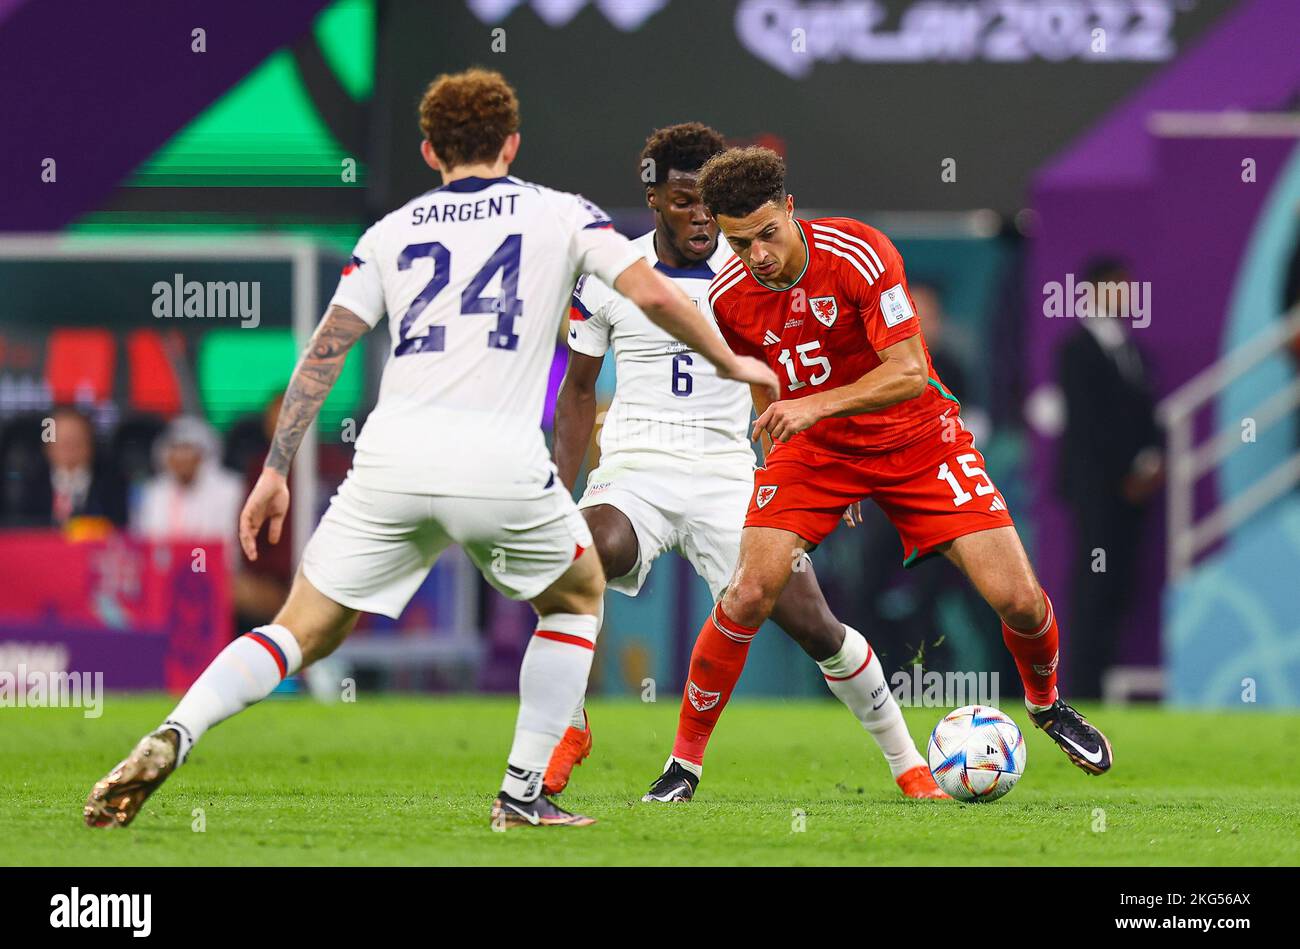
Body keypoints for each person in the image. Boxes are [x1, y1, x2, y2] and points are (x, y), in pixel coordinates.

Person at [83, 69, 777, 832]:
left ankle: (176, 730)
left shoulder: (391, 232)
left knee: (301, 627)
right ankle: (520, 794)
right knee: (578, 595)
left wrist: (276, 469)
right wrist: (733, 361)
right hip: (498, 461)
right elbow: (653, 295)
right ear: (512, 142)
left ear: (427, 150)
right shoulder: (563, 215)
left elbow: (326, 350)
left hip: (391, 459)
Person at [644, 147, 1112, 801]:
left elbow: (909, 370)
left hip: (919, 440)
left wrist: (814, 409)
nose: (758, 256)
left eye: (767, 234)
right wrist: (798, 447)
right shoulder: (730, 297)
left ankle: (1046, 705)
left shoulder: (859, 253)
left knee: (1018, 599)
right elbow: (767, 387)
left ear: (790, 208)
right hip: (816, 455)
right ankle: (683, 766)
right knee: (749, 591)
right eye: (739, 241)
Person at [549, 123, 945, 802]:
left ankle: (909, 763)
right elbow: (579, 388)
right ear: (653, 198)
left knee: (814, 625)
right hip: (635, 466)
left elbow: (792, 380)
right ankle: (568, 722)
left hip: (730, 467)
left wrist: (825, 464)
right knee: (569, 554)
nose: (700, 216)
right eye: (683, 200)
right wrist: (560, 492)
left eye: (710, 203)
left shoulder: (758, 273)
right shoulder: (611, 270)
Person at [1056, 257, 1162, 699]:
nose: (1126, 294)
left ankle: (1100, 682)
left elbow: (1142, 412)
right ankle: (1081, 690)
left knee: (1119, 586)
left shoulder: (1131, 348)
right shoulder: (1075, 350)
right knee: (1092, 587)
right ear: (1093, 291)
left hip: (1132, 494)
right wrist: (1122, 474)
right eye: (1117, 286)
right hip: (1096, 492)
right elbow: (1088, 424)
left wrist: (1152, 460)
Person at [130, 415, 244, 561]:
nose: (180, 457)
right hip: (167, 572)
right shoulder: (153, 492)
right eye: (175, 450)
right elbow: (146, 541)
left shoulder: (229, 489)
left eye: (187, 449)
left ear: (202, 453)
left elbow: (229, 543)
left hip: (212, 570)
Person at [10, 405, 126, 528]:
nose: (69, 447)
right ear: (48, 447)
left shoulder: (112, 484)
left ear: (90, 444)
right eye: (63, 442)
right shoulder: (30, 486)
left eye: (76, 440)